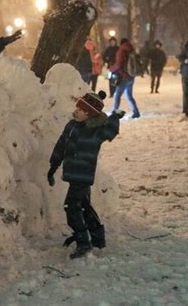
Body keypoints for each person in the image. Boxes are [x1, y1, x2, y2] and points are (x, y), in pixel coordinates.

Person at [47, 91, 124, 259]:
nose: (77, 111)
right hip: (72, 173)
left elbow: (110, 132)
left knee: (71, 207)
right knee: (84, 206)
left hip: (83, 175)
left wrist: (115, 117)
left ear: (89, 114)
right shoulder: (71, 126)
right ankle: (97, 239)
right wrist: (53, 166)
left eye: (81, 109)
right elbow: (61, 145)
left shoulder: (95, 131)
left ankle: (83, 243)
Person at [110, 38, 141, 119]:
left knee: (117, 95)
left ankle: (114, 112)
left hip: (124, 77)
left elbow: (119, 64)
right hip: (131, 76)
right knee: (129, 96)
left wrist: (112, 69)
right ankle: (136, 112)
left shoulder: (121, 51)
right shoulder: (132, 50)